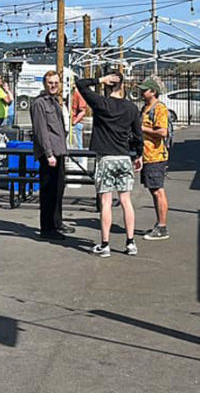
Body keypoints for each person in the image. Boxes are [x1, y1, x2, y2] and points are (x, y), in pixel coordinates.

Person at [75, 71, 143, 258]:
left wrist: (99, 80)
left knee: (106, 202)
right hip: (123, 157)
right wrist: (138, 155)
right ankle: (130, 242)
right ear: (123, 86)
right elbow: (138, 134)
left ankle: (105, 244)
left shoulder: (101, 103)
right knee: (126, 201)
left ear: (107, 85)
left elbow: (80, 84)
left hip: (105, 157)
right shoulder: (131, 108)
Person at [30, 70, 74, 240]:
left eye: (56, 82)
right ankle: (47, 228)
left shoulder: (55, 102)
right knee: (48, 191)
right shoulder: (39, 103)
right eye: (50, 83)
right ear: (44, 84)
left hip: (59, 151)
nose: (54, 85)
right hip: (50, 154)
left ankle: (57, 222)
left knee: (58, 189)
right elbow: (41, 131)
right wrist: (49, 154)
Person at [137, 78, 171, 241]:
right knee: (153, 190)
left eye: (145, 90)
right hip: (147, 154)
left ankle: (162, 226)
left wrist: (142, 128)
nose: (142, 92)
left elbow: (163, 132)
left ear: (153, 92)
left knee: (157, 190)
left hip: (156, 156)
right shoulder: (145, 108)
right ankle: (159, 224)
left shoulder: (159, 108)